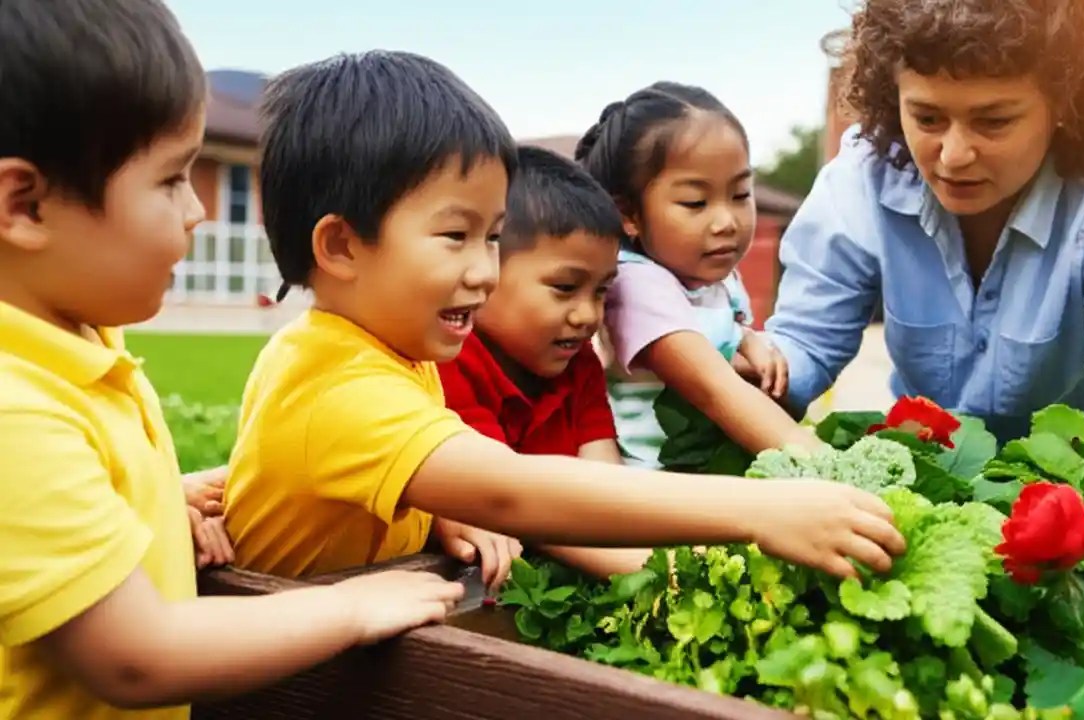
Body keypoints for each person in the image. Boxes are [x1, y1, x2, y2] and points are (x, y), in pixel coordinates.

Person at [222, 51, 907, 595]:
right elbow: (512, 488)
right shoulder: (339, 384)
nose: (486, 271)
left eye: (492, 237)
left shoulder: (391, 357)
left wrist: (438, 503)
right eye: (455, 236)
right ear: (341, 247)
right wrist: (760, 511)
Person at [0, 3, 469, 718]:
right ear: (25, 205)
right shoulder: (15, 410)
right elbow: (137, 656)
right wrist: (347, 609)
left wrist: (154, 499)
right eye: (170, 180)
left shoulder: (82, 351)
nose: (198, 211)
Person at [763, 0, 1084, 593]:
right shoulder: (864, 174)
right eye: (926, 118)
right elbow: (799, 353)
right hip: (938, 488)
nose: (952, 156)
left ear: (1065, 106)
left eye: (993, 121)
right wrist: (728, 358)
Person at [577, 82, 822, 468]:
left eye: (740, 194)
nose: (726, 222)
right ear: (628, 214)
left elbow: (719, 331)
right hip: (654, 486)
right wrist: (826, 467)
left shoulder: (712, 277)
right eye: (696, 202)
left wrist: (748, 341)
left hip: (704, 470)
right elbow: (715, 391)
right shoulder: (637, 285)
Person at [438, 145, 651, 578]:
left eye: (600, 291)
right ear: (486, 270)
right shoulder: (450, 363)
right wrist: (658, 573)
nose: (588, 315)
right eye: (565, 287)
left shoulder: (579, 364)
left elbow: (607, 486)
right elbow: (511, 501)